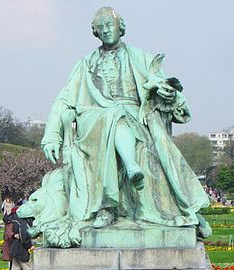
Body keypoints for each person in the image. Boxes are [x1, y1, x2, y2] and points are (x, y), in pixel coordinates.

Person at [18, 7, 210, 247]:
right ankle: (125, 178)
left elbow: (171, 93)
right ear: (95, 33)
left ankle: (114, 203)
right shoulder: (85, 64)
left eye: (110, 24)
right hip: (94, 123)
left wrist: (167, 94)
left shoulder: (141, 58)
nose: (106, 29)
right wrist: (52, 135)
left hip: (135, 119)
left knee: (125, 122)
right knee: (111, 116)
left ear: (121, 27)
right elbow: (64, 100)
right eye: (101, 27)